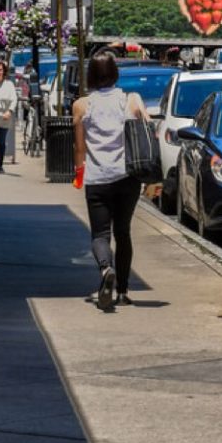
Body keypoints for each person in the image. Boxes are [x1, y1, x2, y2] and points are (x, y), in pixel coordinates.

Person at [73, 52, 148, 310]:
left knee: (100, 234)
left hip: (97, 178)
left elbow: (80, 148)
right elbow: (146, 135)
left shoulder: (82, 106)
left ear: (91, 76)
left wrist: (78, 173)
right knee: (123, 232)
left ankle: (106, 270)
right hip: (127, 177)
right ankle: (124, 291)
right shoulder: (131, 101)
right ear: (115, 73)